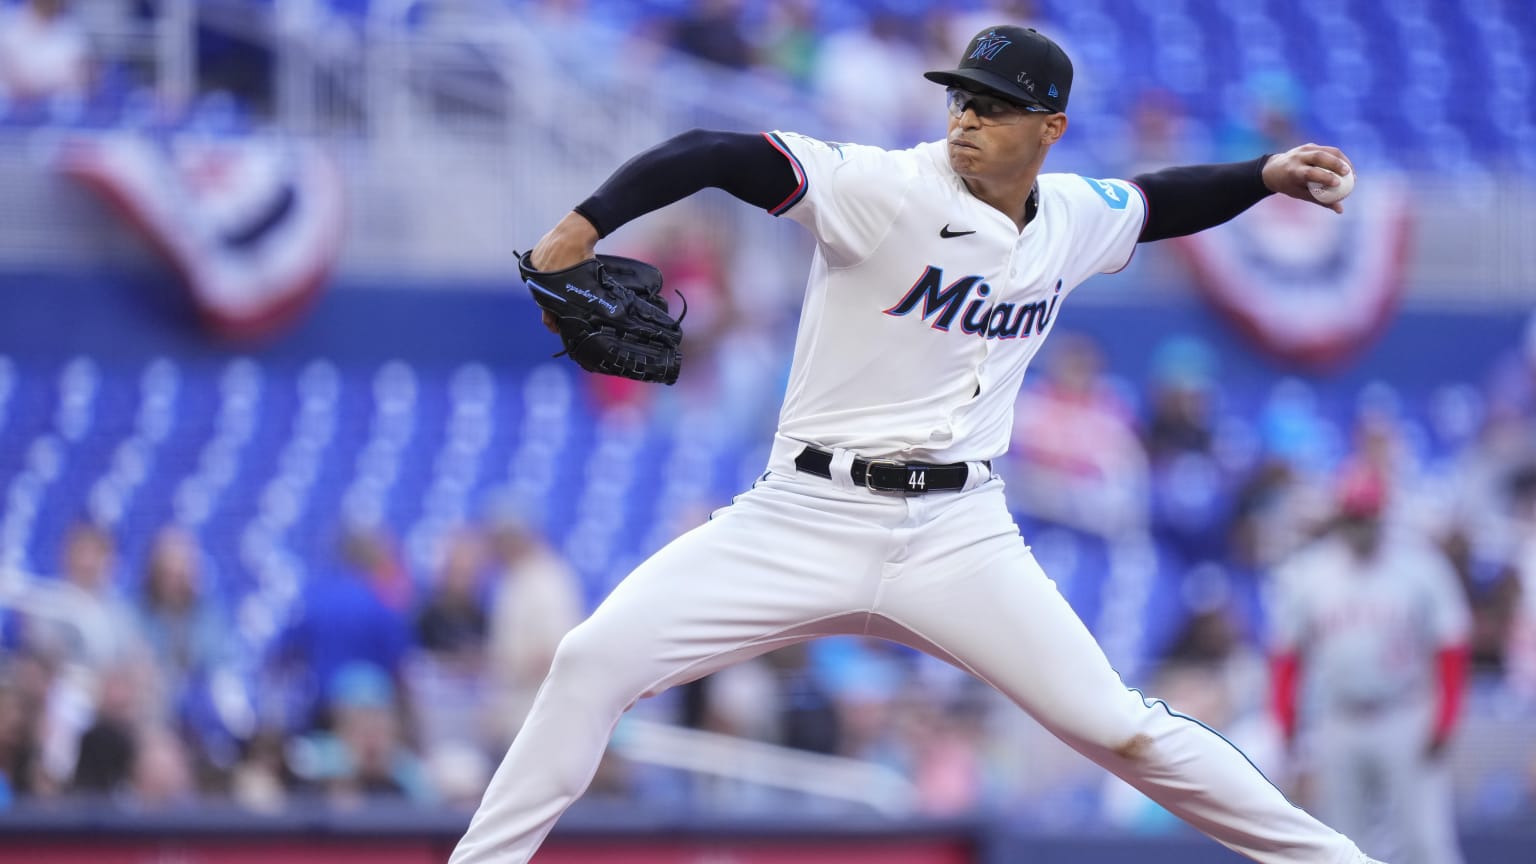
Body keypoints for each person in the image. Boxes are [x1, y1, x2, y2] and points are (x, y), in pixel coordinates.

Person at [454, 25, 1374, 863]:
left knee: (1122, 729)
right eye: (960, 97)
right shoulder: (885, 188)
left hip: (957, 533)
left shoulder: (1071, 217)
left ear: (1050, 129)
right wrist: (578, 230)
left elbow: (1154, 201)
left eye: (994, 105)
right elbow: (713, 152)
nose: (966, 118)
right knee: (589, 662)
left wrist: (1263, 174)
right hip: (804, 515)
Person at [1268, 462, 1472, 864]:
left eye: (1367, 516)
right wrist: (1289, 729)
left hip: (1406, 714)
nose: (1360, 525)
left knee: (1424, 842)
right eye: (1353, 516)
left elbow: (1452, 647)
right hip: (1339, 718)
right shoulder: (1310, 572)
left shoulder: (1421, 566)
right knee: (1342, 843)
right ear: (1340, 517)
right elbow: (1286, 657)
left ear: (1382, 514)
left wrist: (1445, 717)